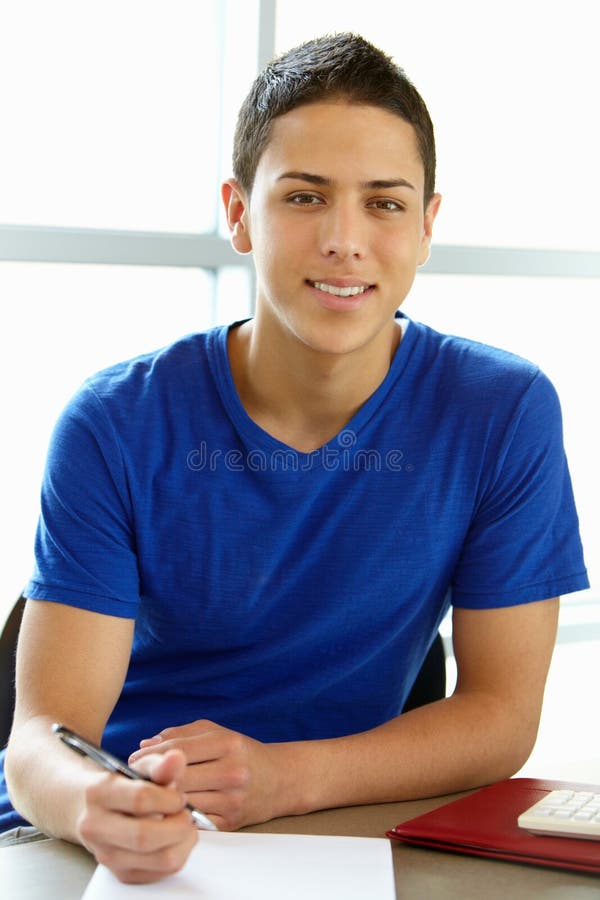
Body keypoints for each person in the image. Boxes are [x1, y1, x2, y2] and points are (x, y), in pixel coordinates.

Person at [1, 32, 589, 884]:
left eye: (384, 204)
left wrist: (286, 777)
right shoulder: (114, 421)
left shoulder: (501, 411)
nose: (345, 241)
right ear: (240, 213)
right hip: (104, 837)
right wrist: (97, 804)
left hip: (340, 828)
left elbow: (499, 715)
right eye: (306, 197)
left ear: (427, 226)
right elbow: (39, 740)